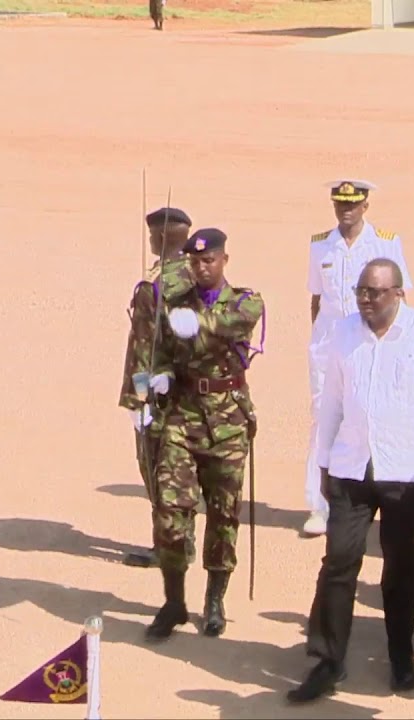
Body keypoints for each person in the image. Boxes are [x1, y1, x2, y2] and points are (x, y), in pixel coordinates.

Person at [289, 259, 414, 703]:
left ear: (398, 293)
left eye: (374, 292)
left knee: (400, 567)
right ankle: (328, 661)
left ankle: (401, 657)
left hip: (407, 475)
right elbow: (331, 405)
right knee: (339, 560)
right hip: (352, 467)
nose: (365, 299)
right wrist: (322, 466)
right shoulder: (344, 333)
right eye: (361, 291)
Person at [147, 227, 265, 642]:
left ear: (224, 260)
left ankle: (215, 601)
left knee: (223, 514)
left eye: (208, 260)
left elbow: (227, 327)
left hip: (228, 421)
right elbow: (160, 350)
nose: (201, 267)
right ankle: (174, 602)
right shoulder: (175, 304)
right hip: (183, 417)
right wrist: (159, 377)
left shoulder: (246, 301)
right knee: (169, 513)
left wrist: (193, 322)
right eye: (194, 261)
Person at [303, 180, 414, 538]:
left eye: (352, 204)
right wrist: (324, 342)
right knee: (324, 419)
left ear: (365, 205)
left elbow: (401, 297)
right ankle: (319, 505)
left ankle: (373, 494)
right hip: (330, 344)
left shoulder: (385, 242)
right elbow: (317, 300)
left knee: (374, 411)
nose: (345, 210)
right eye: (340, 203)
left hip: (373, 343)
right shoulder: (320, 245)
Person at [119, 206, 194, 569]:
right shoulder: (194, 274)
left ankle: (169, 545)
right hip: (187, 389)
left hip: (157, 392)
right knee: (180, 467)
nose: (149, 239)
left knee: (154, 464)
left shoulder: (157, 284)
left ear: (163, 237)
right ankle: (182, 540)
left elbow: (144, 348)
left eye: (153, 234)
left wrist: (139, 396)